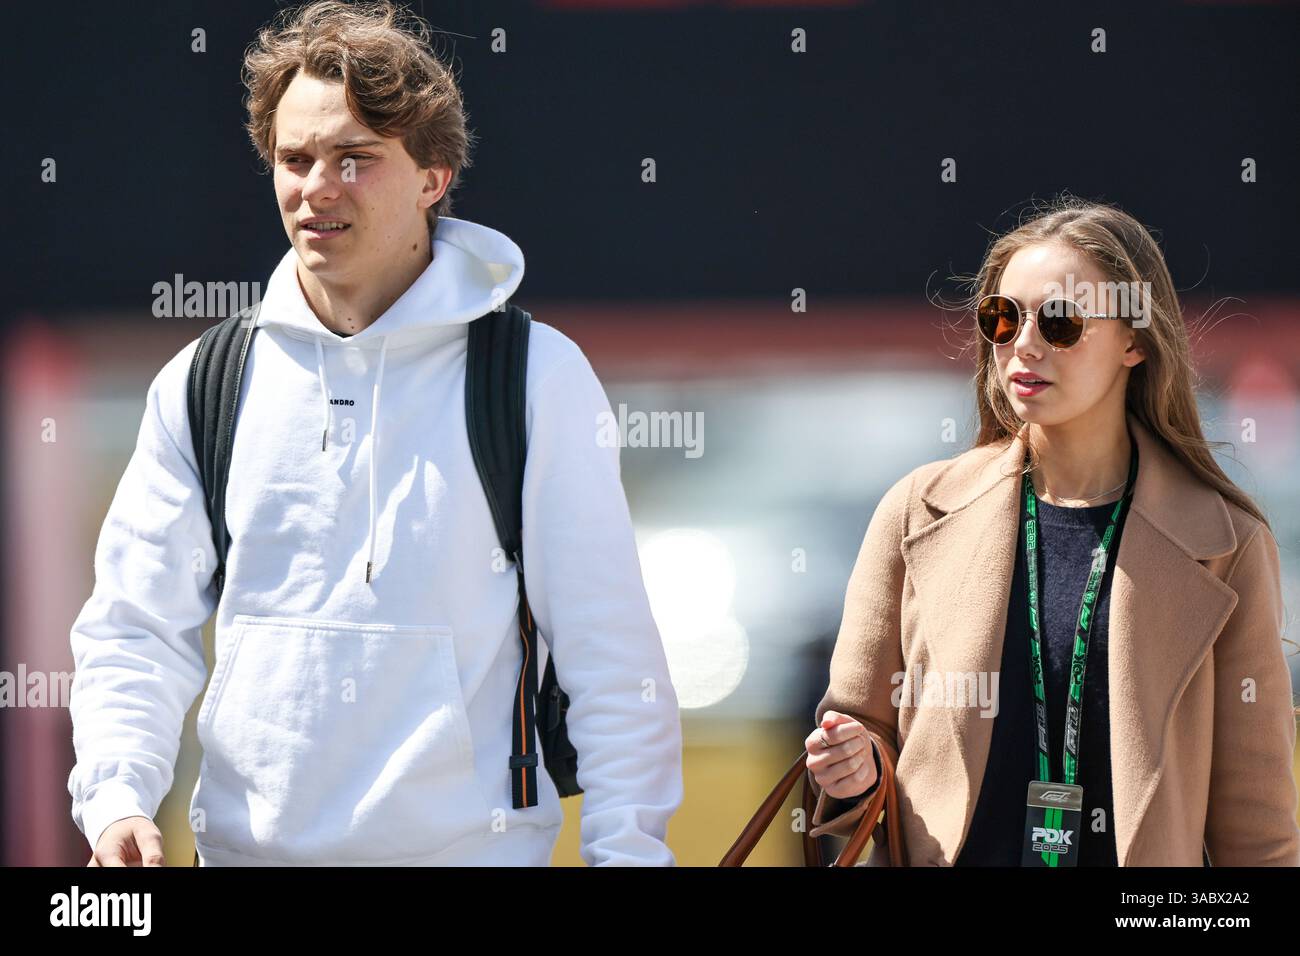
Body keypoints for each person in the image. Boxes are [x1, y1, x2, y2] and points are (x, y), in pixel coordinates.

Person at [66, 0, 682, 867]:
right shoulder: (205, 383)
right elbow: (134, 627)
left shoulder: (534, 376)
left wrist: (631, 855)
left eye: (354, 160)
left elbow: (611, 660)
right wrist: (118, 796)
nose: (317, 188)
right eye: (295, 159)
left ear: (433, 177)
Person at [803, 195, 1300, 866]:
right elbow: (863, 732)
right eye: (1002, 319)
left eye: (1060, 321)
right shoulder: (916, 510)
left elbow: (1258, 831)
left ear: (1134, 340)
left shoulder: (1225, 543)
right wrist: (850, 766)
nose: (1024, 344)